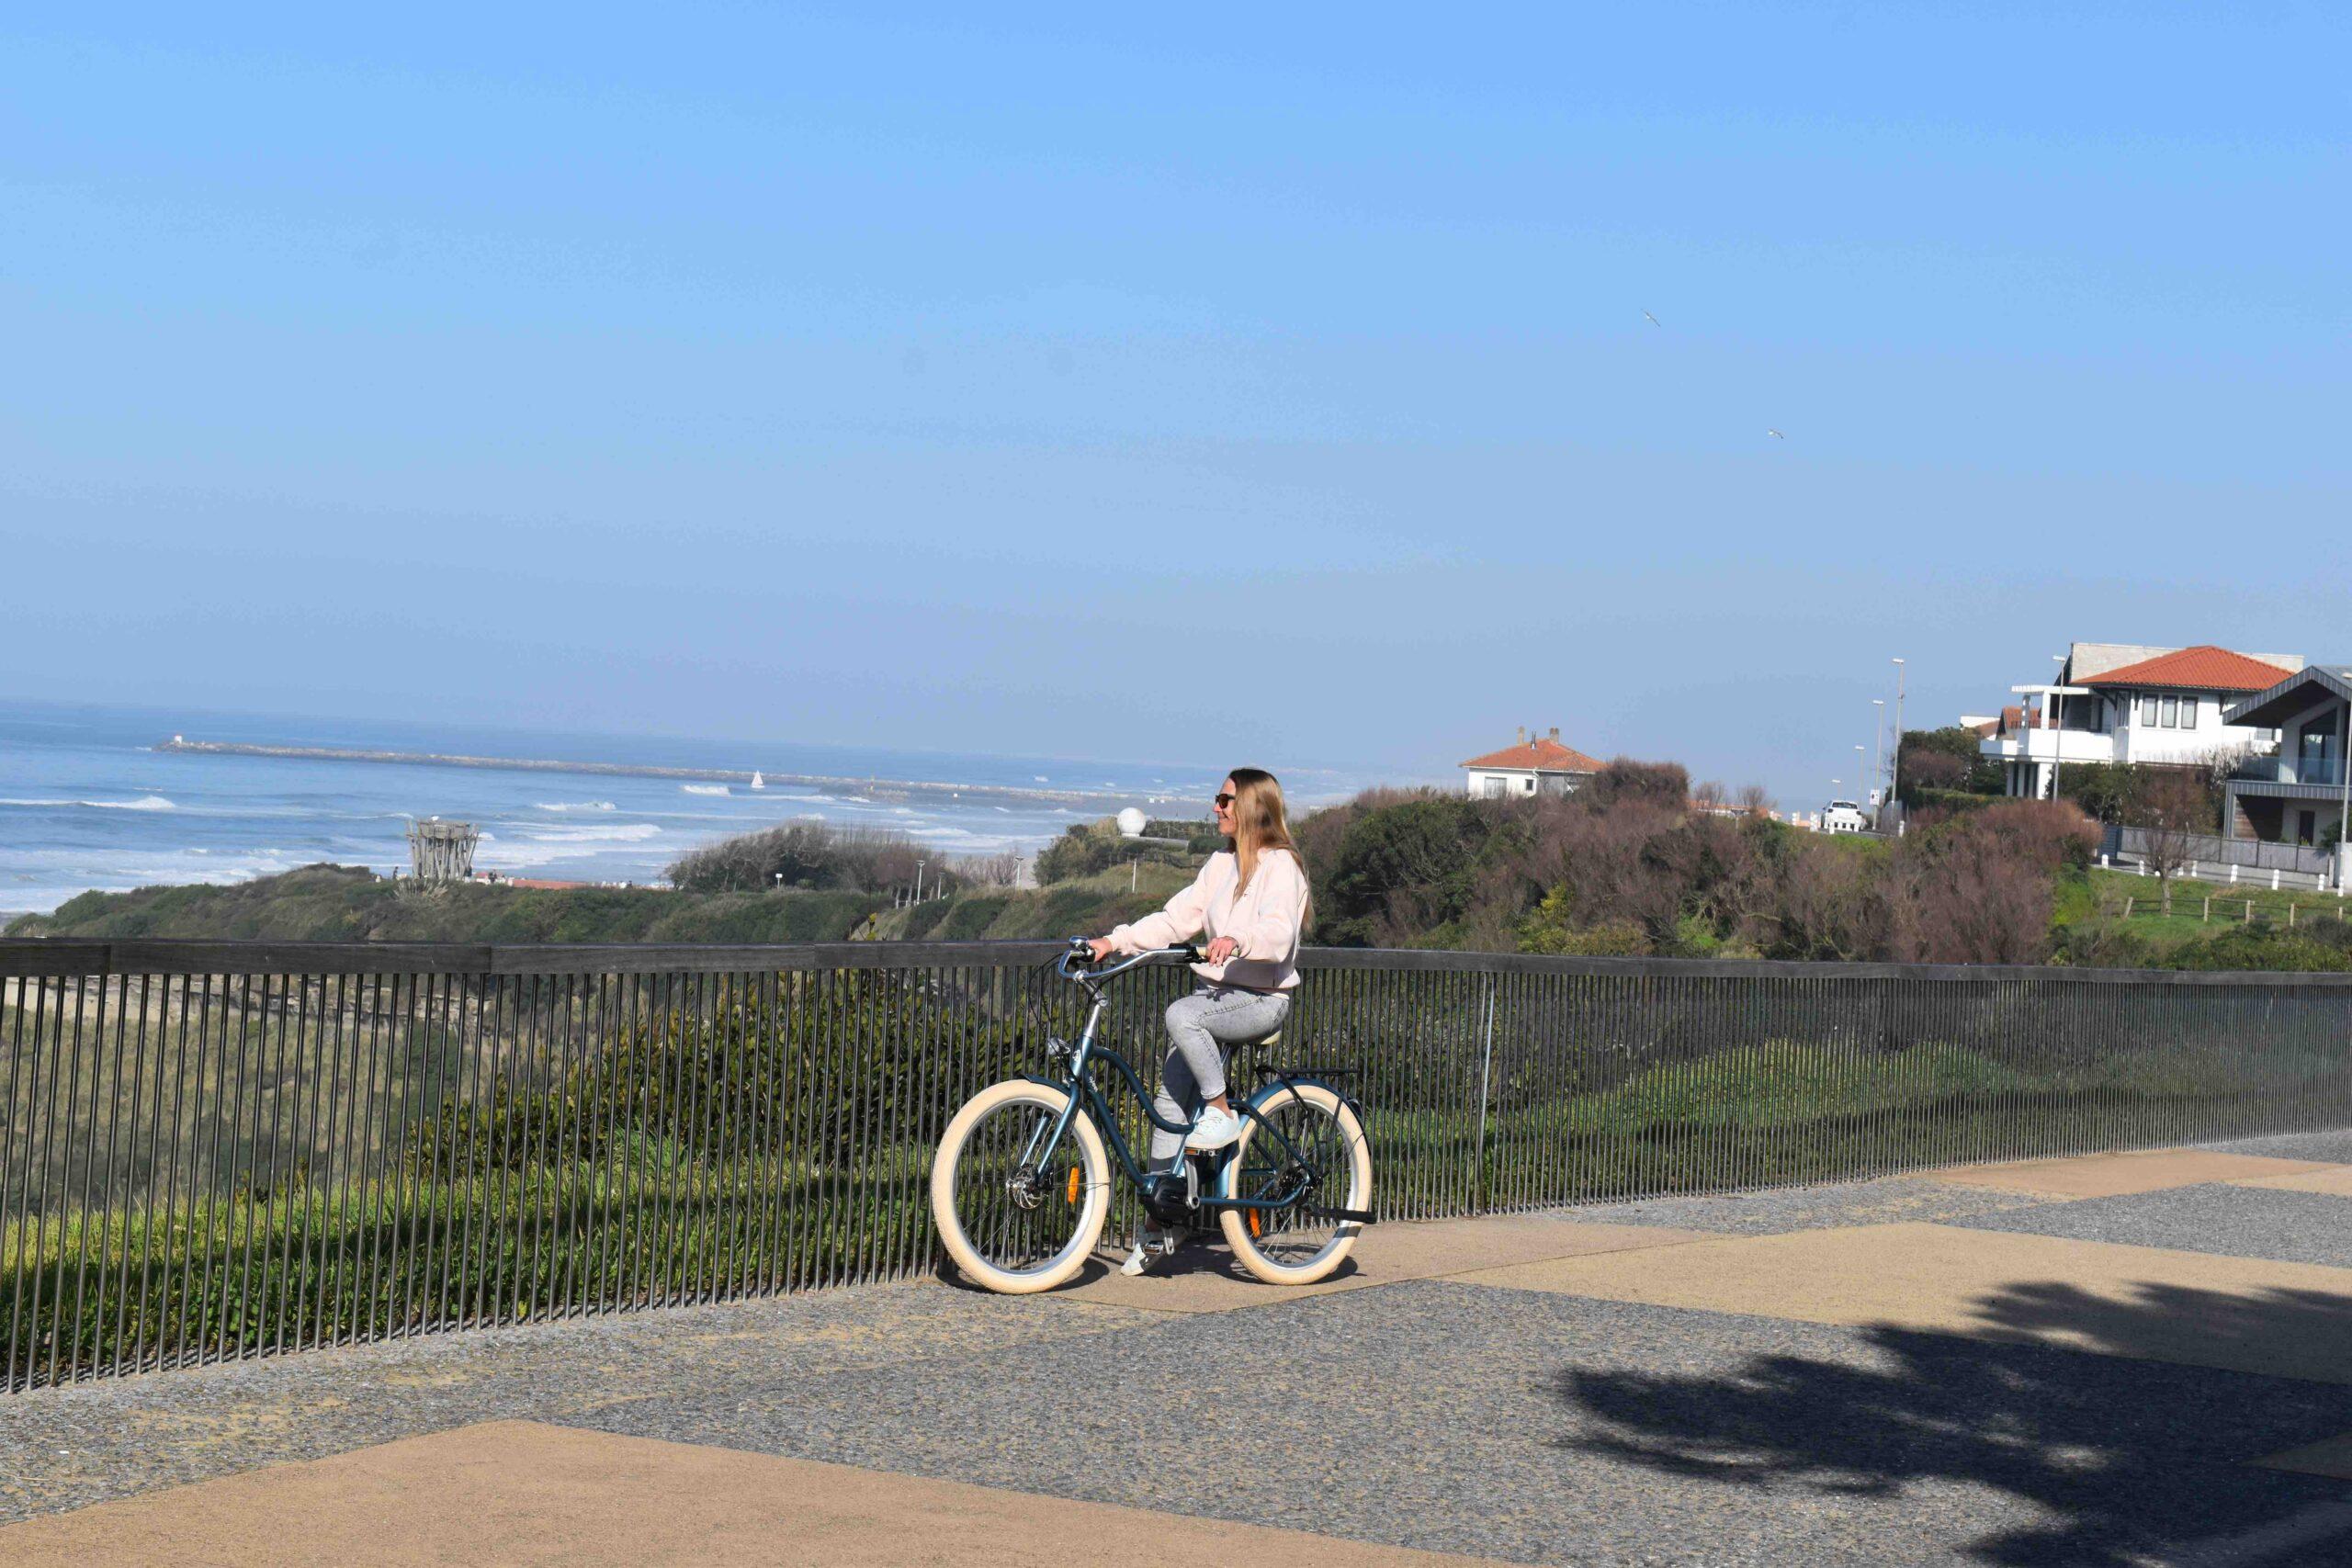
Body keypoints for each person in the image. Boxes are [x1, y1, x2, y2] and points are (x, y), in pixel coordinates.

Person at [1087, 768, 1311, 1275]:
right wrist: (1112, 941)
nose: (1216, 808)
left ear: (1252, 806)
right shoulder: (1219, 865)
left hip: (1260, 998)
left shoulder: (1282, 866)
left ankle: (1220, 1110)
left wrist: (1237, 940)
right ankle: (1163, 1220)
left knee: (1180, 1014)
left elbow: (1278, 934)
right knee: (1168, 1104)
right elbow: (1174, 920)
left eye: (1224, 800)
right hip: (1215, 997)